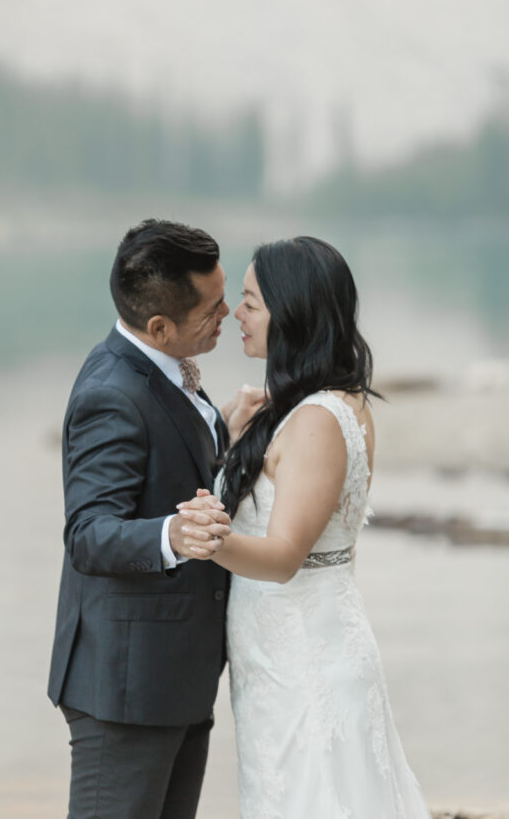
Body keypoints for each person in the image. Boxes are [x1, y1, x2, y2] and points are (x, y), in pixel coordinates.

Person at [178, 236, 432, 819]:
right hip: (277, 658)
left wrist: (206, 539)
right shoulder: (300, 407)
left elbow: (286, 553)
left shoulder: (318, 419)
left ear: (291, 312)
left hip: (307, 659)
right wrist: (230, 436)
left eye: (249, 302)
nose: (233, 314)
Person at [48, 219, 233, 819]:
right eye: (212, 308)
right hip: (126, 686)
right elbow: (89, 534)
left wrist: (226, 430)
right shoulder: (111, 391)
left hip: (176, 671)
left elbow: (168, 456)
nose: (227, 312)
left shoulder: (162, 366)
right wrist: (172, 535)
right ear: (159, 326)